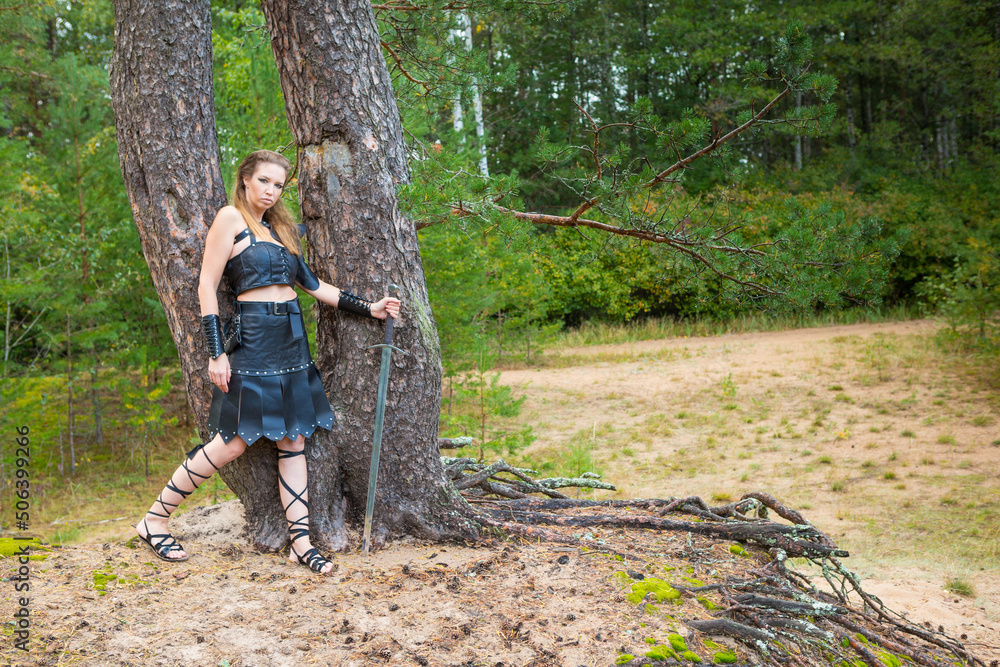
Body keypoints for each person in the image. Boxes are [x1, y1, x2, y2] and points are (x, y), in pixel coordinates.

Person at [134, 150, 400, 575]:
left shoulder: (280, 231)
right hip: (253, 341)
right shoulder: (230, 219)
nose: (271, 191)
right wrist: (215, 351)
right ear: (245, 180)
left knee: (294, 439)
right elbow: (206, 284)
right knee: (233, 442)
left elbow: (315, 287)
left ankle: (301, 543)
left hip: (292, 343)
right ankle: (154, 520)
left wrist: (370, 308)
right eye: (264, 181)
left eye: (278, 185)